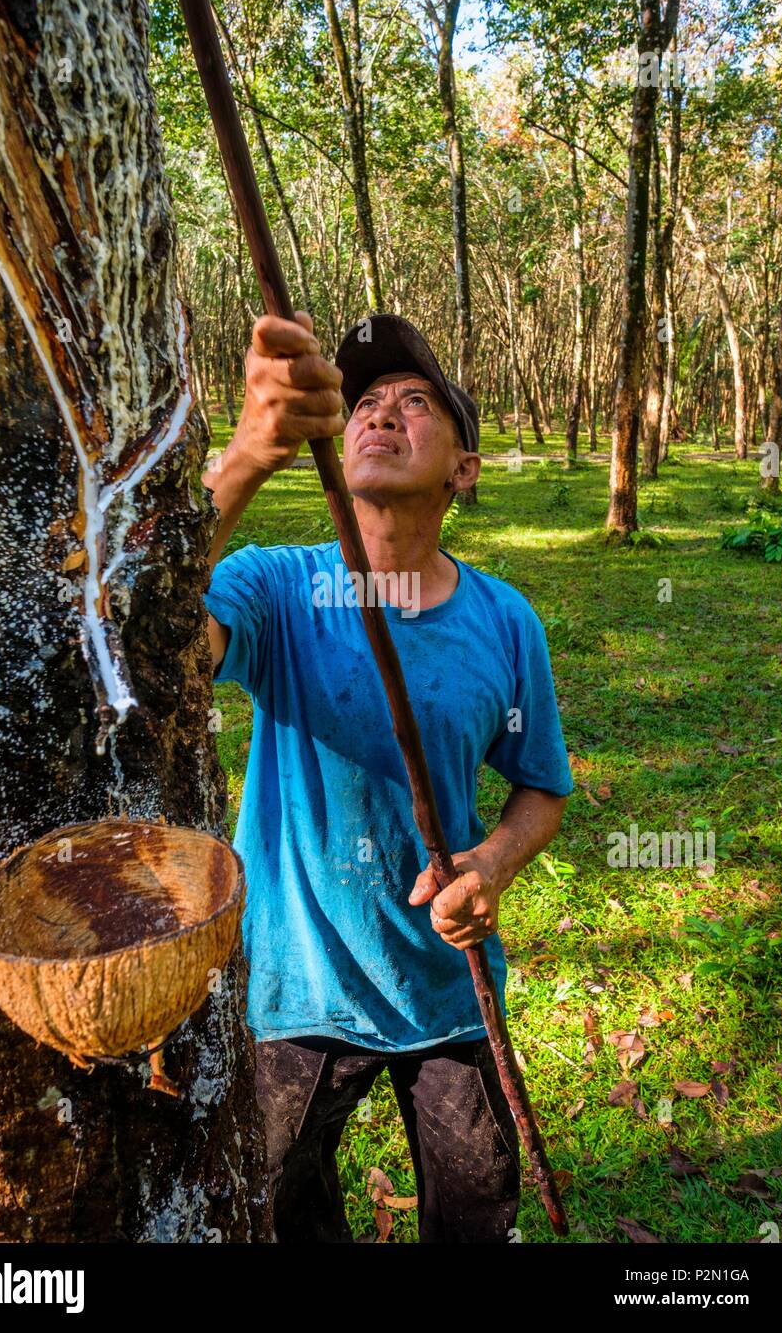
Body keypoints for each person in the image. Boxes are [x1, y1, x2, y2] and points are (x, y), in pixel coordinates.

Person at [202, 311, 573, 1243]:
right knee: (280, 1201)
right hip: (296, 983)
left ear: (464, 470)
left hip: (448, 987)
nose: (381, 414)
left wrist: (490, 864)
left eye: (416, 402)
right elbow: (145, 620)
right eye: (364, 402)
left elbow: (542, 788)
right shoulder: (275, 589)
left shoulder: (506, 620)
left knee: (478, 1205)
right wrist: (248, 452)